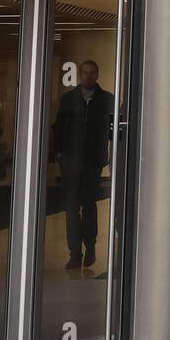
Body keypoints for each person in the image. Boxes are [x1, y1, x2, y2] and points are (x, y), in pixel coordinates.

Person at [52, 60, 114, 270]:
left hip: (92, 160)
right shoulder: (69, 99)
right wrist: (59, 153)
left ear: (97, 75)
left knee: (88, 204)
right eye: (85, 72)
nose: (88, 76)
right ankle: (75, 253)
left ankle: (91, 247)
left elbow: (112, 129)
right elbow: (59, 127)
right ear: (80, 75)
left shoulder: (106, 100)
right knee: (71, 208)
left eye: (92, 72)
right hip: (71, 159)